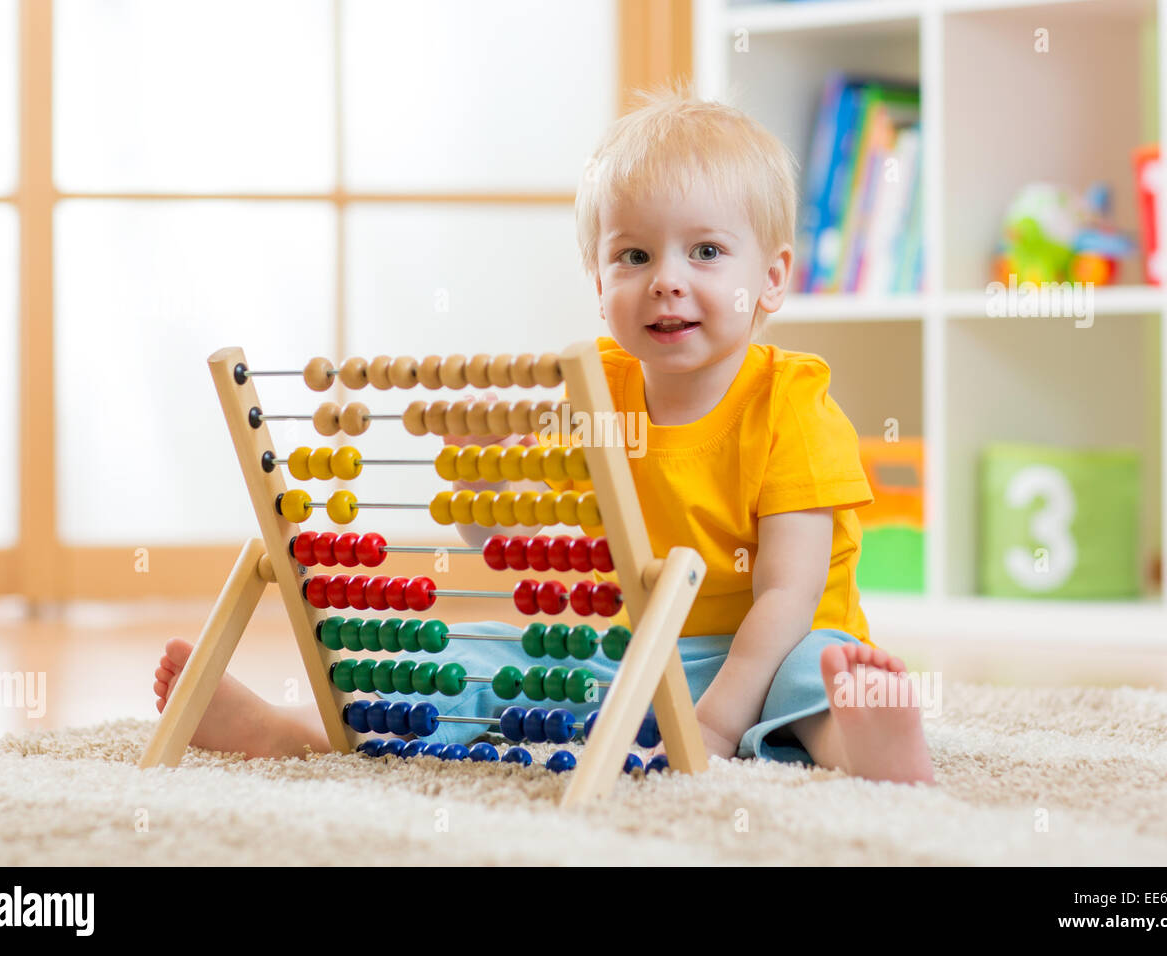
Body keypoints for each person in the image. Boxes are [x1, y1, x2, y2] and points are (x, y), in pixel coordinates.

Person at [153, 81, 934, 784]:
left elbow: (788, 595)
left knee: (808, 675)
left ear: (771, 279)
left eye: (705, 251)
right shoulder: (593, 389)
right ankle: (288, 730)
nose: (667, 278)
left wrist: (716, 723)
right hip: (630, 655)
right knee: (481, 653)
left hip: (760, 649)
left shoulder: (792, 404)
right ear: (600, 286)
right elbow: (498, 540)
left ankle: (860, 742)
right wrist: (481, 488)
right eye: (634, 255)